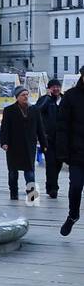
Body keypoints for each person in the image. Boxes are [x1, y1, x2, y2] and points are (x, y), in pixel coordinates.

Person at [0, 85, 41, 202]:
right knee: (13, 172)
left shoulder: (34, 110)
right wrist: (4, 143)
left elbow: (40, 128)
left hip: (29, 146)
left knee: (30, 172)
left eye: (27, 94)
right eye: (23, 95)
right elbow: (4, 128)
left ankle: (32, 194)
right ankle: (13, 193)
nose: (26, 97)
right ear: (17, 97)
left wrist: (44, 143)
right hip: (14, 146)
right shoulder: (9, 110)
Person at [58, 72, 84, 235]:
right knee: (76, 186)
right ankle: (73, 215)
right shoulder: (71, 96)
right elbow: (62, 125)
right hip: (77, 152)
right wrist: (63, 152)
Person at [35, 78, 63, 199]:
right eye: (53, 87)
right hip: (48, 139)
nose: (56, 89)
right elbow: (37, 111)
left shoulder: (64, 100)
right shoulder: (45, 99)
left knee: (58, 163)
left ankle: (50, 184)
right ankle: (53, 188)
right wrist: (47, 98)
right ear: (49, 88)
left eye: (58, 86)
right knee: (51, 163)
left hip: (62, 139)